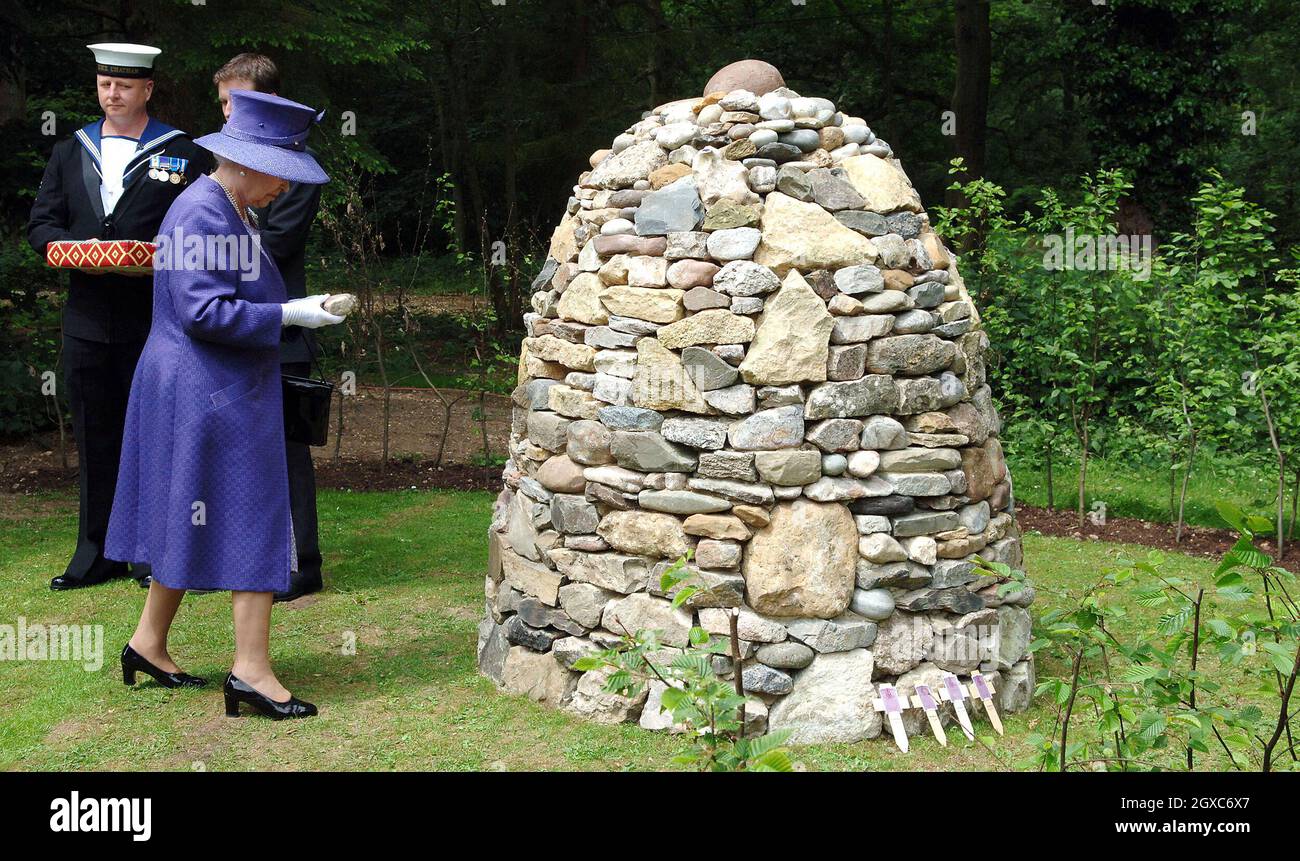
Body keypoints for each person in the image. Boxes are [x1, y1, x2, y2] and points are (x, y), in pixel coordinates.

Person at [105, 89, 345, 720]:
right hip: (208, 387)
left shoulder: (227, 207)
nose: (288, 190)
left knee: (192, 510)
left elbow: (222, 296)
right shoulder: (203, 212)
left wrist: (291, 309)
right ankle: (251, 673)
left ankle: (147, 642)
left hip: (203, 382)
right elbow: (204, 311)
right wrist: (290, 313)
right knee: (255, 510)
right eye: (284, 175)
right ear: (247, 160)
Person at [27, 43, 211, 591]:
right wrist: (65, 249)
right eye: (106, 85)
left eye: (125, 86)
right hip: (85, 321)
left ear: (147, 90)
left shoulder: (182, 152)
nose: (113, 94)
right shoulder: (69, 150)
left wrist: (156, 258)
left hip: (155, 321)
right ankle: (96, 551)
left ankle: (152, 553)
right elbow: (41, 224)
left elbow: (200, 228)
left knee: (157, 434)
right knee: (95, 434)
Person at [213, 53, 325, 603]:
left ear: (267, 103)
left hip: (281, 329)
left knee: (286, 451)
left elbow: (274, 245)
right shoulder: (225, 169)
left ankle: (303, 563)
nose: (228, 115)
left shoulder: (294, 169)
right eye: (224, 105)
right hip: (237, 329)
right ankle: (244, 560)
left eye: (235, 103)